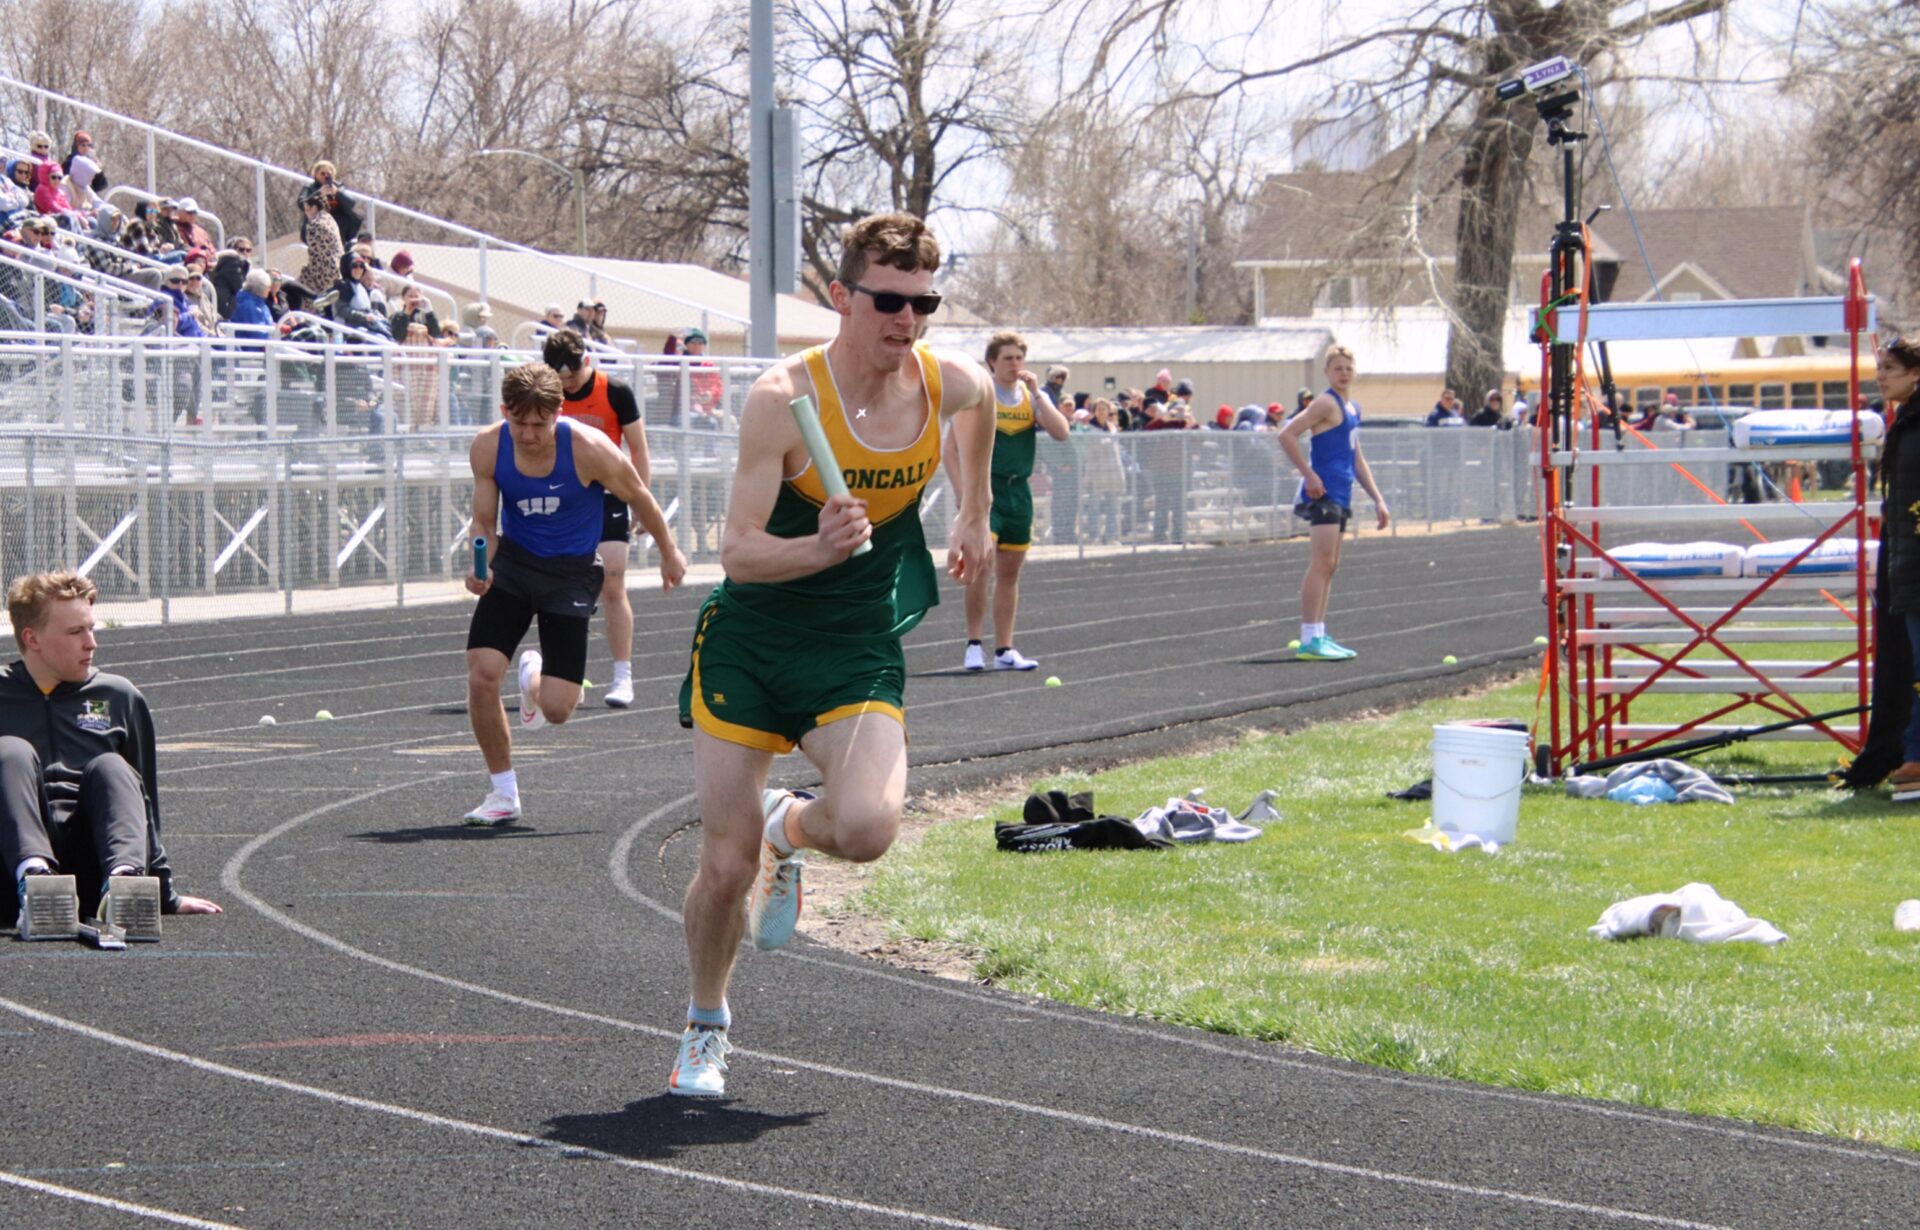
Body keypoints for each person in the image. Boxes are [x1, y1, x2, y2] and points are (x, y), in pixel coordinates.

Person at [668, 212, 995, 1097]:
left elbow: (986, 404)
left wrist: (974, 508)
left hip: (854, 645)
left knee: (867, 828)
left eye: (924, 302)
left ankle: (791, 825)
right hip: (754, 641)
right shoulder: (784, 398)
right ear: (845, 297)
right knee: (725, 867)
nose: (908, 319)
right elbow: (736, 552)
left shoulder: (943, 381)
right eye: (889, 300)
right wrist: (817, 546)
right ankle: (706, 1025)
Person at [461, 364, 685, 825]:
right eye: (519, 423)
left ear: (558, 413)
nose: (528, 434)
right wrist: (479, 566)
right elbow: (484, 520)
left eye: (539, 425)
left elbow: (639, 495)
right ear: (505, 412)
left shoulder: (587, 447)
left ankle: (534, 676)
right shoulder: (488, 446)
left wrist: (670, 552)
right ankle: (503, 793)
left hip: (573, 572)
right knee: (482, 674)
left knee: (559, 710)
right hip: (516, 565)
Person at [1, 571, 221, 938]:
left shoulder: (119, 696)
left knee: (112, 767)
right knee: (10, 752)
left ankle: (127, 885)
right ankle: (35, 881)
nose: (92, 643)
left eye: (91, 629)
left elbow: (143, 798)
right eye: (76, 632)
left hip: (92, 873)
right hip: (9, 877)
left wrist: (164, 892)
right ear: (32, 638)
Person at [544, 328, 653, 709]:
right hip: (564, 497)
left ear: (585, 364)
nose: (568, 387)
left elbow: (638, 449)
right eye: (560, 381)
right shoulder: (548, 392)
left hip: (607, 494)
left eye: (572, 378)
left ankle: (622, 676)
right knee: (561, 586)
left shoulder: (615, 392)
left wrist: (641, 501)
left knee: (613, 581)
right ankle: (563, 672)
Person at [957, 331, 1071, 672]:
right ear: (992, 361)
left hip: (1019, 492)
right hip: (986, 490)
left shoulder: (1028, 398)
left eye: (1019, 358)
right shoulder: (982, 394)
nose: (1015, 364)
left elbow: (1062, 431)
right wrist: (965, 494)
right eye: (1007, 358)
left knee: (1010, 572)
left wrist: (1038, 393)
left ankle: (1005, 648)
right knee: (979, 567)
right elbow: (952, 445)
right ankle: (974, 643)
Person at [1279, 344, 1391, 661]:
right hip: (1323, 491)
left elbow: (1357, 458)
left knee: (1331, 565)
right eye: (1338, 368)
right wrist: (1310, 476)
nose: (1344, 373)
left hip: (1342, 491)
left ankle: (1319, 633)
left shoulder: (1352, 408)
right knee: (1321, 562)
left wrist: (1378, 499)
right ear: (1327, 372)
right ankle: (1309, 637)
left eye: (1348, 368)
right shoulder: (1325, 402)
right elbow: (1287, 435)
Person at [1849, 338, 1920, 793]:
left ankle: (1914, 758)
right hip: (1907, 565)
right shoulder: (1905, 424)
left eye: (1890, 368)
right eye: (1878, 367)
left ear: (1916, 373)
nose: (1880, 375)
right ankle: (1911, 756)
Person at [292, 193, 342, 314]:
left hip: (321, 270)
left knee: (297, 292)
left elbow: (315, 253)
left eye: (307, 210)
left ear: (314, 208)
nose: (306, 213)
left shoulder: (314, 224)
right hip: (336, 268)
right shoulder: (330, 219)